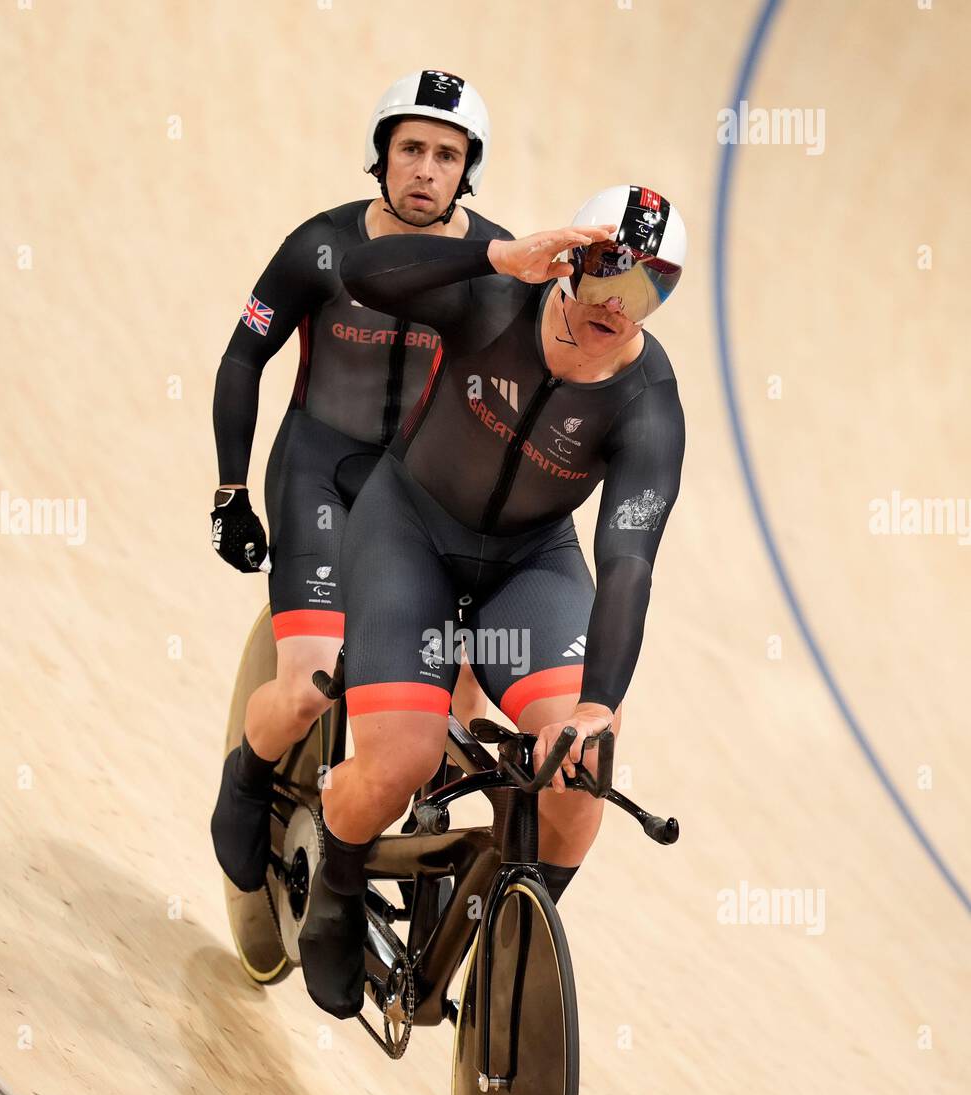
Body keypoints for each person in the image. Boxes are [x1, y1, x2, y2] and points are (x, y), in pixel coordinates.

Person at [298, 184, 688, 1019]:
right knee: (400, 763)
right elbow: (362, 275)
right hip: (411, 534)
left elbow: (628, 565)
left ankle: (506, 953)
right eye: (607, 275)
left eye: (650, 288)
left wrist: (596, 707)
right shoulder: (495, 296)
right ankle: (334, 874)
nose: (619, 307)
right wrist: (490, 256)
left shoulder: (648, 402)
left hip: (529, 568)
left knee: (581, 773)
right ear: (569, 261)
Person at [209, 70, 512, 893]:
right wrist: (232, 492)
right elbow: (245, 357)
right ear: (380, 159)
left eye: (446, 155)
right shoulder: (321, 246)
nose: (425, 169)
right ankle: (247, 776)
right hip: (322, 468)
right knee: (309, 684)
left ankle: (415, 824)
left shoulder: (496, 263)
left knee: (462, 705)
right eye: (410, 148)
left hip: (420, 498)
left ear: (467, 170)